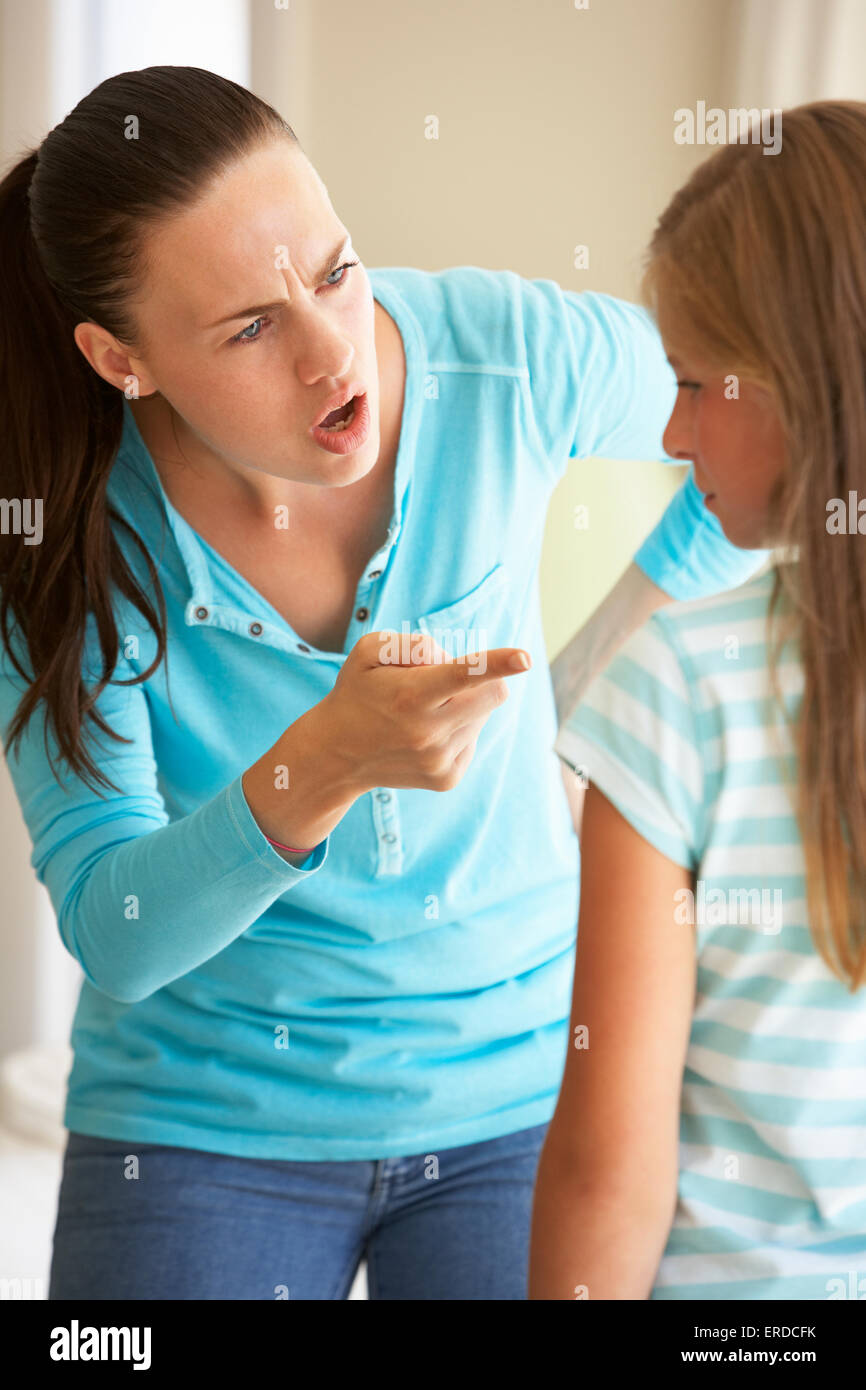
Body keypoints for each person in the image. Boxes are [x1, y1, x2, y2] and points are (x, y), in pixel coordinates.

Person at [0, 65, 762, 1301]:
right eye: (249, 327)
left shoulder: (503, 358)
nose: (328, 350)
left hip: (514, 1090)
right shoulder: (64, 531)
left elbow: (768, 419)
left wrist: (600, 671)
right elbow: (113, 930)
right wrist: (326, 760)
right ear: (119, 358)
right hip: (197, 1121)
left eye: (336, 270)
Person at [531, 100, 866, 1301]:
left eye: (687, 383)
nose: (670, 436)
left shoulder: (675, 692)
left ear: (798, 382)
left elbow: (607, 1172)